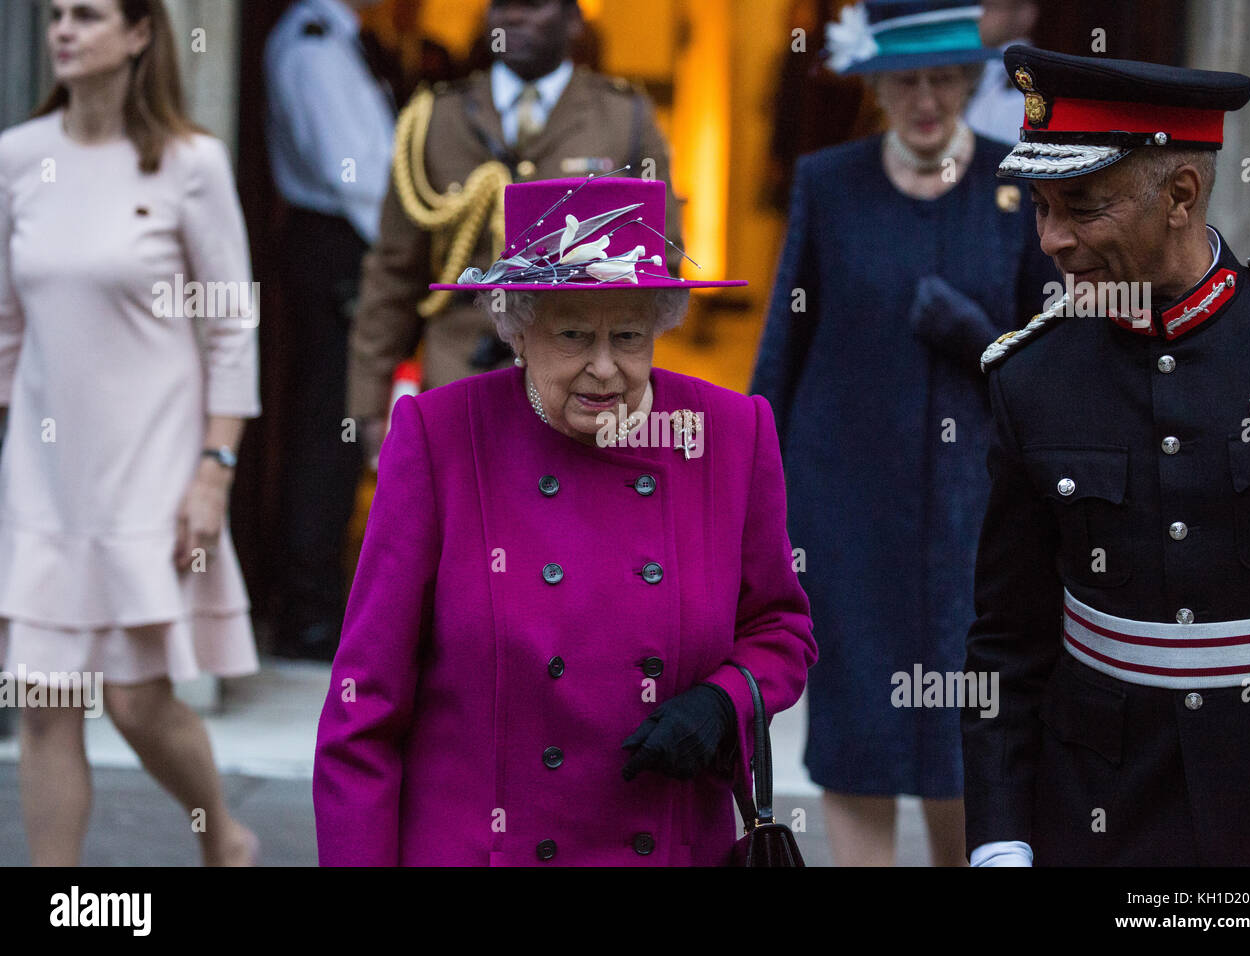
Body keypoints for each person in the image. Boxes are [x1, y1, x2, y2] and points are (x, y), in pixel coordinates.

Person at [313, 175, 816, 865]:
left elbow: (781, 627)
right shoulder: (441, 436)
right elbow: (363, 703)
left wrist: (726, 703)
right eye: (574, 334)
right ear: (517, 331)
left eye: (630, 336)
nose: (604, 368)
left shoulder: (728, 433)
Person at [964, 46, 1250, 866]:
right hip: (1102, 806)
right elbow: (1008, 642)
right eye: (1040, 209)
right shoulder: (1030, 377)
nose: (1052, 240)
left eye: (1081, 208)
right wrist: (1000, 839)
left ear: (1180, 195)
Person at [751, 0, 1054, 867]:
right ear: (877, 88)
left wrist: (973, 334)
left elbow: (1050, 358)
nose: (926, 99)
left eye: (943, 79)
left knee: (964, 728)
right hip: (844, 505)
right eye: (905, 81)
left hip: (976, 513)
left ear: (968, 80)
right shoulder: (828, 182)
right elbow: (784, 347)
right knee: (859, 729)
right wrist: (749, 487)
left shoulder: (1017, 182)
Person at [0, 0, 260, 865]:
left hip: (155, 466)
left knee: (138, 699)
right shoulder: (17, 158)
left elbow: (231, 326)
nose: (63, 31)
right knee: (44, 701)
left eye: (88, 14)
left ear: (142, 33)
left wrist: (215, 469)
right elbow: (5, 327)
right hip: (43, 473)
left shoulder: (192, 163)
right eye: (55, 16)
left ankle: (222, 840)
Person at [348, 0, 681, 473]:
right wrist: (369, 403)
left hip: (583, 391)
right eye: (502, 4)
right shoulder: (435, 118)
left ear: (572, 20)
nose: (515, 17)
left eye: (534, 5)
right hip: (457, 380)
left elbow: (660, 263)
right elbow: (393, 273)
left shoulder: (622, 118)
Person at [264, 0, 395, 661]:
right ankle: (308, 611)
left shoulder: (343, 40)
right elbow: (360, 175)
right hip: (338, 245)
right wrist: (408, 252)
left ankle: (316, 597)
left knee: (341, 425)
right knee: (331, 427)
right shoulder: (313, 44)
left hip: (347, 242)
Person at [964, 0, 1038, 144]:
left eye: (989, 6)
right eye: (976, 5)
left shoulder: (1028, 75)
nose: (978, 15)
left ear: (1025, 14)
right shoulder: (977, 65)